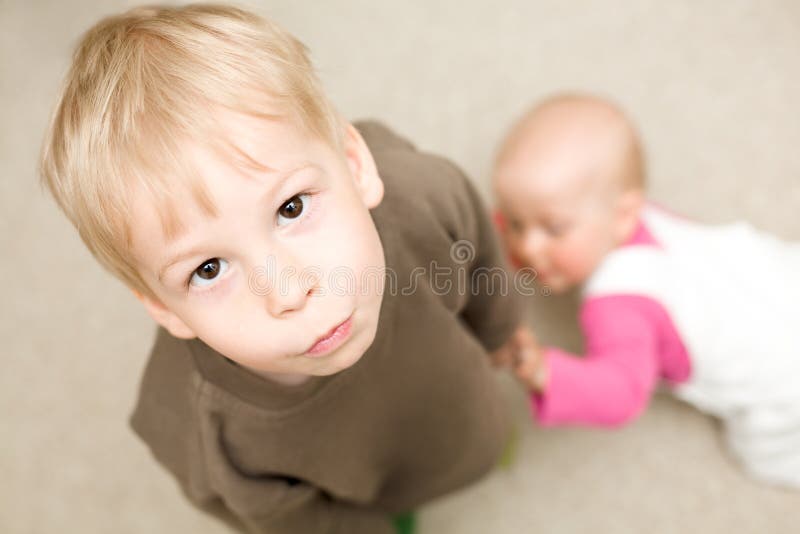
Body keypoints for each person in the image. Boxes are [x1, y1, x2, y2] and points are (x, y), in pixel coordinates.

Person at [39, 5, 522, 532]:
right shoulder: (202, 430)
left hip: (464, 401)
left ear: (355, 164)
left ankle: (483, 449)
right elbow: (291, 521)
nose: (288, 291)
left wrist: (500, 331)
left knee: (481, 439)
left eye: (291, 208)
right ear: (161, 306)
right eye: (208, 269)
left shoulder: (422, 197)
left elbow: (481, 260)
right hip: (367, 493)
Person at [492, 92, 800, 489]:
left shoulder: (617, 307)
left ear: (622, 215)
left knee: (763, 455)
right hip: (778, 284)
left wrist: (543, 372)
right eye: (516, 224)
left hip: (783, 379)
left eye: (552, 228)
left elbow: (621, 395)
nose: (529, 247)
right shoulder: (631, 212)